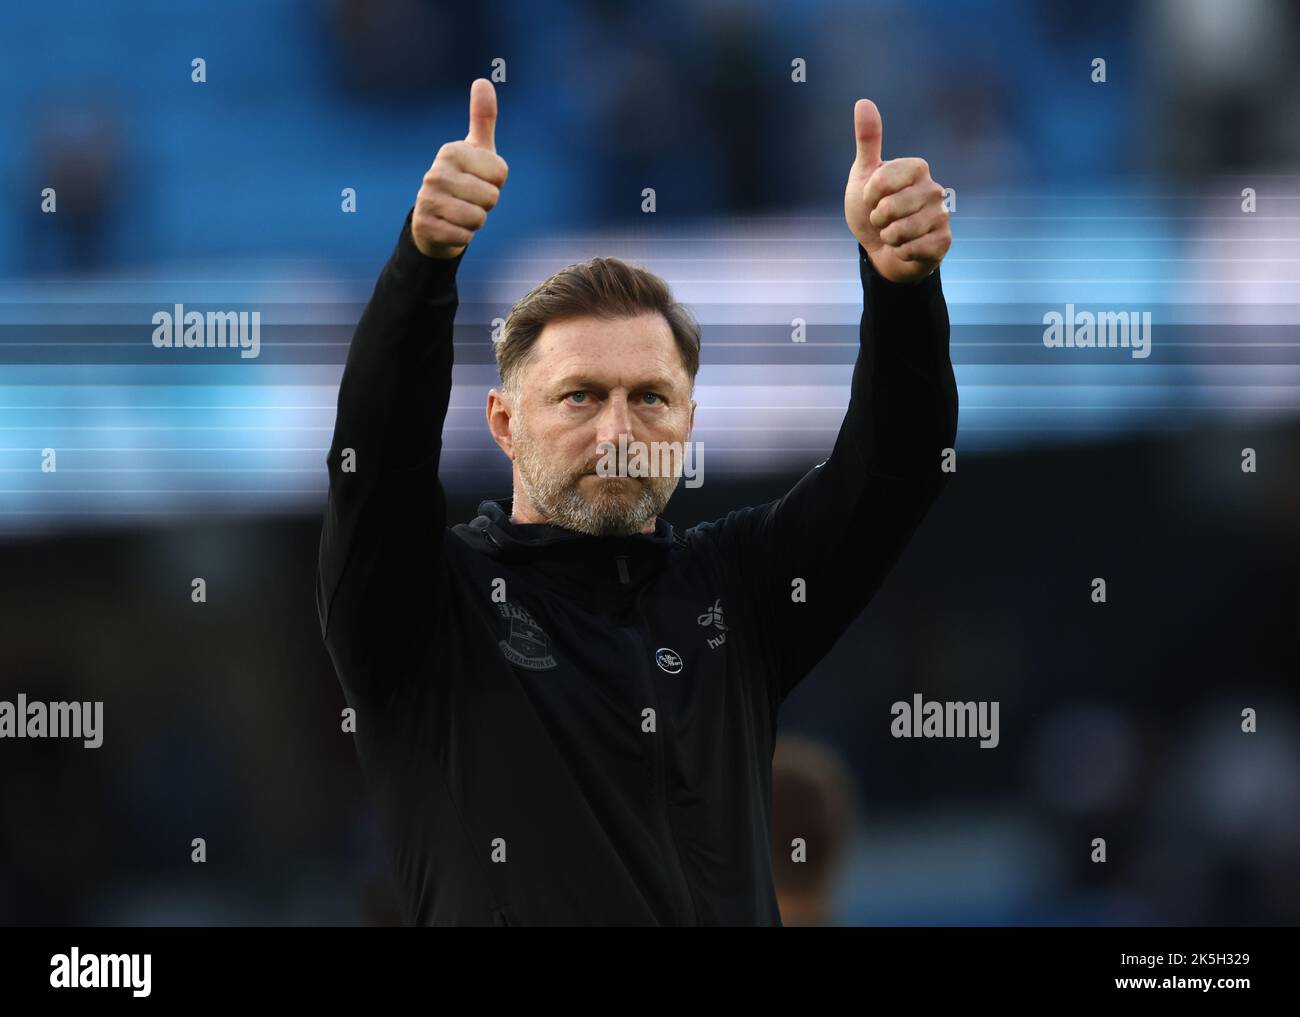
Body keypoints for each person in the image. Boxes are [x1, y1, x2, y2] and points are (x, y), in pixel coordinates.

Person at [316, 78, 957, 925]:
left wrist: (902, 290)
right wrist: (422, 268)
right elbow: (378, 466)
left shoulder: (737, 591)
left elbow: (897, 469)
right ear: (505, 423)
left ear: (689, 421)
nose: (618, 429)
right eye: (580, 396)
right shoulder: (428, 610)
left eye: (649, 398)